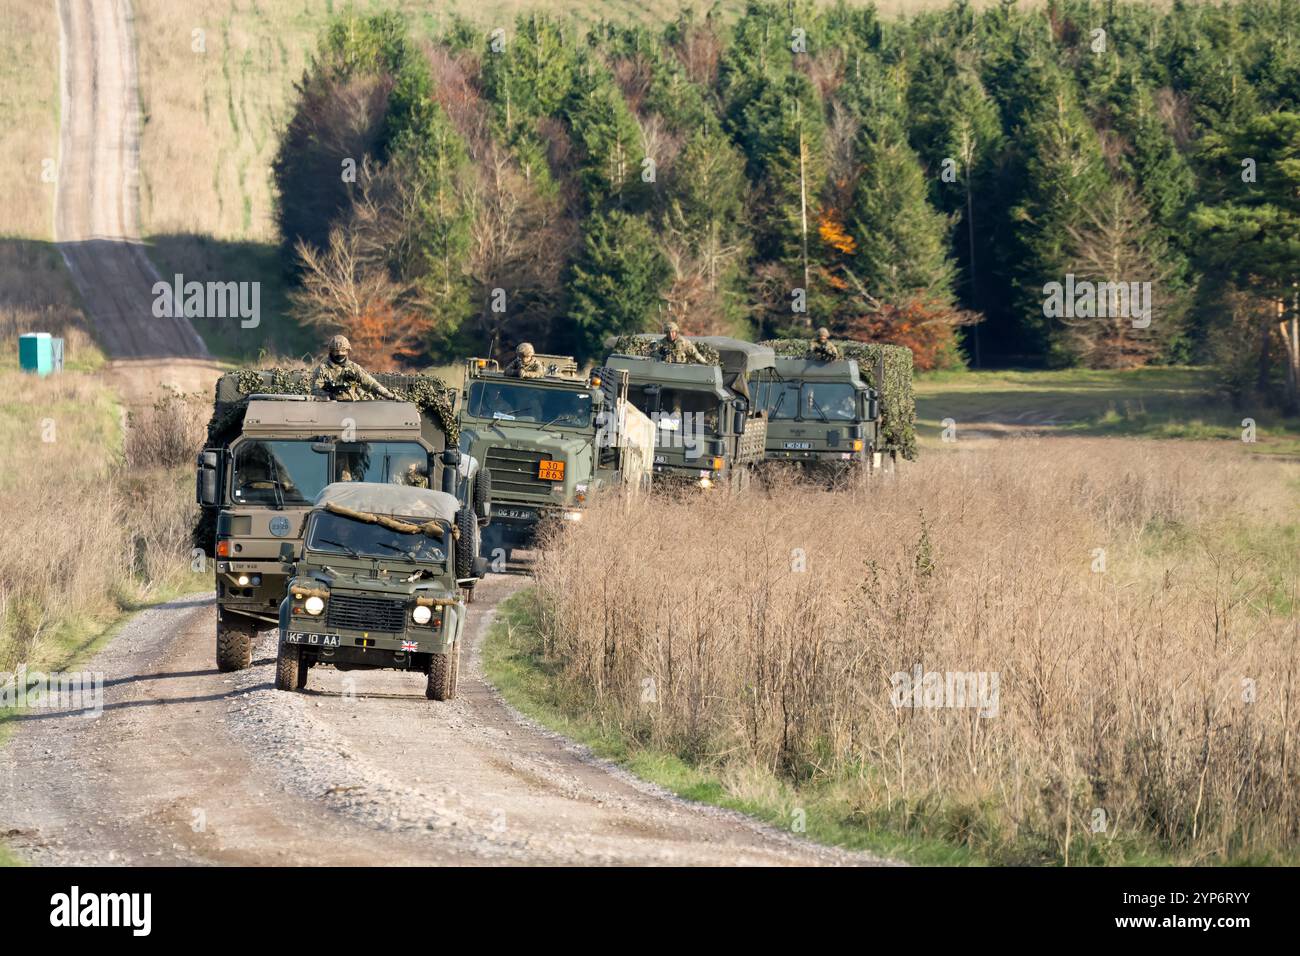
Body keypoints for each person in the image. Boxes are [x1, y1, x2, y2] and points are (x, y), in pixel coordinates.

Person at [310, 335, 397, 401]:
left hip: (352, 406)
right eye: (336, 351)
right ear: (331, 351)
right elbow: (315, 390)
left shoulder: (354, 368)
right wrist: (330, 394)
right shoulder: (323, 368)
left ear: (347, 351)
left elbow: (372, 384)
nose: (339, 353)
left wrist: (392, 396)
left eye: (343, 350)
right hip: (330, 407)